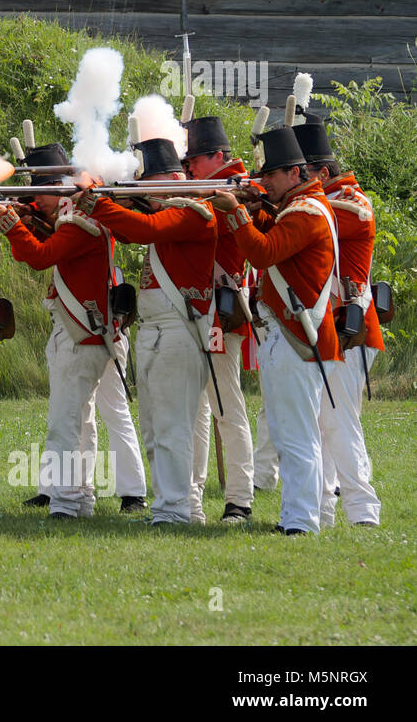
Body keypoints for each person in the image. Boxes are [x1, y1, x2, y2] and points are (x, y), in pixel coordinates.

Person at [0, 141, 147, 518]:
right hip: (91, 331)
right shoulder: (73, 217)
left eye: (37, 193)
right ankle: (80, 497)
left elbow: (40, 257)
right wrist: (25, 221)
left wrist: (11, 225)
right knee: (83, 422)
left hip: (81, 336)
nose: (35, 200)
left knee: (66, 424)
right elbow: (43, 249)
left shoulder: (76, 222)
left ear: (58, 187)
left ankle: (66, 503)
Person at [79, 136, 219, 526]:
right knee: (157, 427)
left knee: (173, 426)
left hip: (179, 329)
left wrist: (100, 203)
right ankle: (176, 506)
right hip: (157, 330)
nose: (144, 192)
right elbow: (130, 229)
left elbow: (144, 229)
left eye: (148, 183)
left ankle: (174, 510)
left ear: (171, 178)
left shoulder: (194, 210)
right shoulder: (169, 212)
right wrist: (108, 205)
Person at [211, 126, 342, 535]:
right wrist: (254, 209)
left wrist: (234, 212)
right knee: (296, 434)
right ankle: (314, 513)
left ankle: (301, 521)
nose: (265, 180)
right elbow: (276, 235)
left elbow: (263, 251)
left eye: (273, 174)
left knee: (294, 436)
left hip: (295, 337)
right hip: (292, 335)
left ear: (296, 174)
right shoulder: (301, 208)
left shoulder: (305, 212)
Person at [293, 115, 382, 527]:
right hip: (326, 327)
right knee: (322, 421)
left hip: (351, 330)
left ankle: (363, 509)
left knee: (338, 420)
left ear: (322, 173)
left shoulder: (351, 204)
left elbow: (326, 218)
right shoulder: (318, 205)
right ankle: (324, 509)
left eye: (301, 173)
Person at [181, 116, 257, 524]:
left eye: (195, 158)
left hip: (221, 311)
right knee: (194, 410)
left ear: (216, 156)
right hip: (194, 309)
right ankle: (190, 498)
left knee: (227, 407)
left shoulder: (238, 187)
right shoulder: (205, 187)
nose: (190, 166)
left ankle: (239, 500)